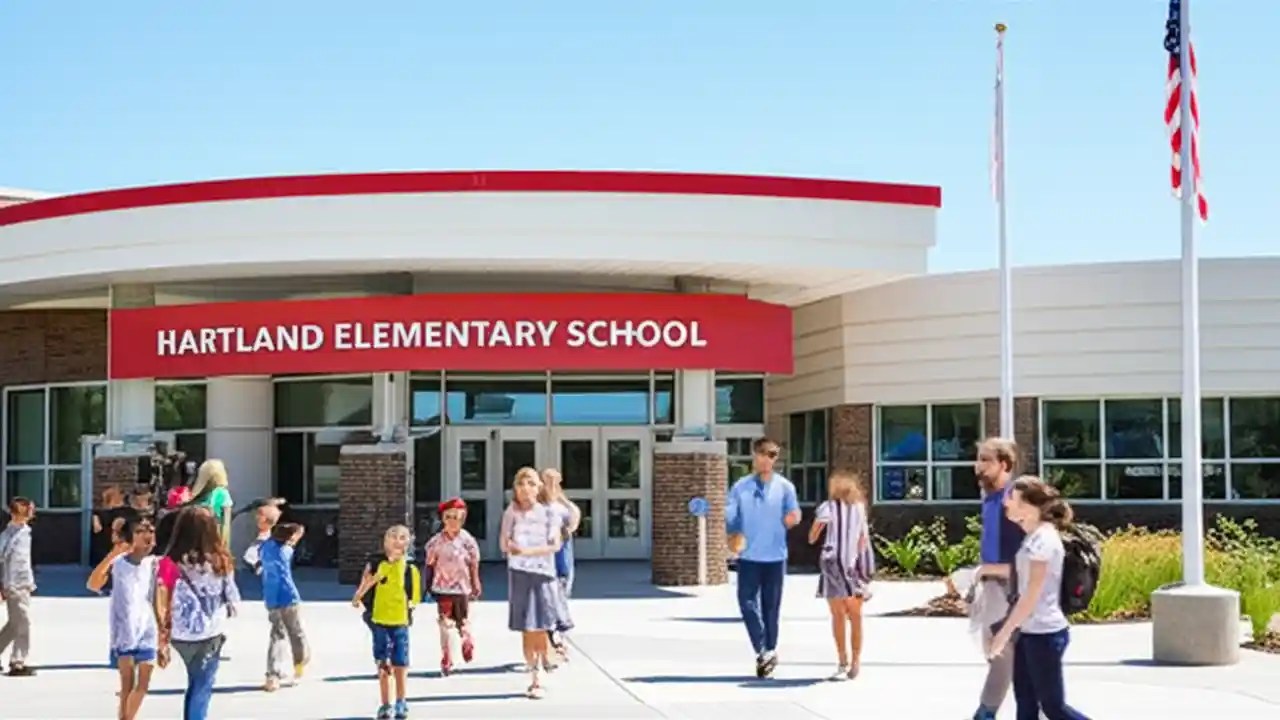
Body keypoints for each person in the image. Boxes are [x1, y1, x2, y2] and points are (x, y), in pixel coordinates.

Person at [988, 476, 1092, 720]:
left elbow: (1031, 596)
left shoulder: (1044, 540)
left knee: (1054, 707)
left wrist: (1003, 634)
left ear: (1027, 505)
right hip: (1029, 633)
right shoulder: (1033, 537)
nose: (1007, 505)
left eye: (1012, 499)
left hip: (1045, 634)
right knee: (1025, 704)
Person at [155, 506, 241, 720]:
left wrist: (161, 636)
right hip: (211, 630)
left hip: (179, 630)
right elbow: (232, 596)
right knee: (202, 684)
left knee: (196, 681)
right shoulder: (221, 560)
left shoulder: (168, 562)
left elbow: (160, 597)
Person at [725, 437, 800, 679]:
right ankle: (762, 648)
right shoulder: (741, 487)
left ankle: (768, 652)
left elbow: (793, 511)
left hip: (776, 556)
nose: (768, 458)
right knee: (747, 602)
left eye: (773, 455)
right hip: (749, 556)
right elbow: (731, 516)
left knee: (771, 608)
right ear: (755, 455)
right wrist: (733, 538)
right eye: (764, 453)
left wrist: (794, 518)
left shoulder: (785, 487)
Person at [969, 437, 1026, 720]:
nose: (977, 466)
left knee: (1001, 652)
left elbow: (1028, 557)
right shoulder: (990, 499)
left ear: (1004, 464)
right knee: (998, 653)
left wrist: (991, 571)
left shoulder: (1014, 501)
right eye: (978, 459)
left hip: (1010, 589)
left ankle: (986, 712)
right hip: (991, 587)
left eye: (985, 460)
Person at [499, 467, 568, 699]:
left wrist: (528, 551)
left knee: (541, 625)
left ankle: (543, 665)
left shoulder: (549, 513)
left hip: (543, 573)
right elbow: (503, 542)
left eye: (530, 483)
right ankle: (533, 674)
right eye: (520, 484)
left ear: (538, 487)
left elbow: (555, 545)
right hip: (519, 573)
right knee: (527, 627)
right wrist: (511, 547)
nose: (525, 489)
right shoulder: (512, 512)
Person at [87, 516, 160, 720]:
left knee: (143, 684)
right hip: (124, 630)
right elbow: (93, 584)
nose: (147, 536)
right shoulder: (118, 564)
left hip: (147, 628)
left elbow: (157, 598)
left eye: (150, 531)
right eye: (139, 532)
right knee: (127, 684)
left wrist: (163, 632)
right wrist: (114, 553)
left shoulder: (155, 564)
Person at [807, 470, 874, 681]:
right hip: (853, 566)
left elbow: (812, 536)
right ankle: (856, 661)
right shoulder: (860, 508)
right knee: (855, 616)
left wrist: (817, 534)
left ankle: (842, 660)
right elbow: (863, 541)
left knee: (837, 616)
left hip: (833, 566)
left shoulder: (828, 507)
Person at [352, 525, 421, 720]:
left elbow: (415, 594)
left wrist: (411, 605)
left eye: (402, 537)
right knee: (383, 664)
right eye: (393, 537)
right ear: (385, 542)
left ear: (408, 543)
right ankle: (385, 704)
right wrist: (357, 597)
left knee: (401, 664)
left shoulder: (410, 569)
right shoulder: (381, 565)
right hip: (380, 620)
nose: (397, 541)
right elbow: (370, 581)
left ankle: (401, 701)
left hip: (400, 621)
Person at [424, 497, 482, 676]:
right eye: (448, 517)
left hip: (462, 587)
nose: (452, 522)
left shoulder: (467, 540)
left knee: (462, 621)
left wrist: (475, 581)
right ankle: (447, 656)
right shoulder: (436, 542)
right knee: (445, 623)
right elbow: (429, 564)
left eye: (457, 517)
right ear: (443, 518)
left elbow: (474, 562)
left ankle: (467, 640)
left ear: (462, 519)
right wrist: (427, 584)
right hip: (443, 587)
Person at [260, 522, 309, 691]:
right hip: (289, 596)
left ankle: (273, 674)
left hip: (271, 597)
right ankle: (299, 665)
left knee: (277, 635)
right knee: (296, 632)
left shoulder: (266, 547)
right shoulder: (286, 551)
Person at [538, 467, 580, 662]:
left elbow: (573, 521)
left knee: (560, 597)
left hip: (562, 557)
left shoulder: (563, 505)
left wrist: (560, 498)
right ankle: (553, 641)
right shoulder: (536, 506)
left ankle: (557, 639)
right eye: (548, 480)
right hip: (544, 559)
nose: (551, 485)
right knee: (548, 600)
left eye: (555, 481)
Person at [0, 497, 37, 676]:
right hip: (13, 585)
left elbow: (24, 562)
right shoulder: (9, 535)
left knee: (15, 624)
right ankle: (18, 662)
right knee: (22, 623)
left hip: (23, 584)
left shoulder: (25, 532)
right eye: (28, 510)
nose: (31, 513)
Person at [188, 460, 234, 546]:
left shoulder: (218, 494)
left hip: (209, 539)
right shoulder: (220, 493)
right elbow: (225, 523)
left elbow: (220, 520)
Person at [242, 501, 284, 576]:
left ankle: (257, 564)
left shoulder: (264, 539)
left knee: (251, 554)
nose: (256, 517)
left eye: (259, 515)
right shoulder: (263, 536)